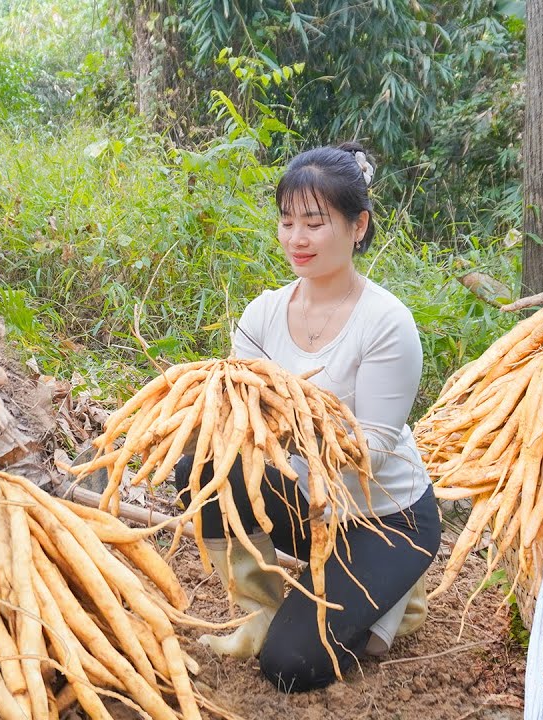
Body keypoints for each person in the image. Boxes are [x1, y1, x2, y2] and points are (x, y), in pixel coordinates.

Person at [173, 142, 440, 693]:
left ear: (357, 225)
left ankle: (396, 596)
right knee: (202, 463)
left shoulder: (387, 322)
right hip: (310, 503)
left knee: (292, 667)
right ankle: (259, 611)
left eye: (315, 223)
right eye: (287, 221)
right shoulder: (263, 313)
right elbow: (241, 420)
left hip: (385, 516)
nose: (297, 238)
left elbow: (375, 447)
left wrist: (294, 420)